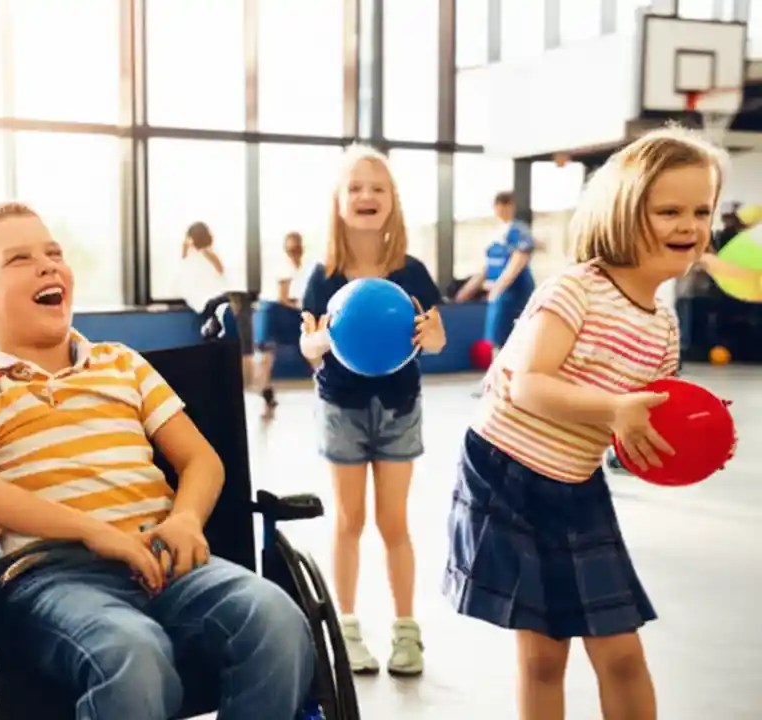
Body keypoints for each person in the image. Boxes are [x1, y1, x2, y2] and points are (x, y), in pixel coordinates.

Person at [0, 201, 315, 719]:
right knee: (132, 653)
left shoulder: (121, 364)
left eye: (53, 253)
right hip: (54, 575)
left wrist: (185, 520)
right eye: (19, 259)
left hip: (164, 559)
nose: (47, 265)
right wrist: (92, 530)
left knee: (278, 621)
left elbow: (202, 460)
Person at [444, 127, 719, 720]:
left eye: (701, 210)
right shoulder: (577, 290)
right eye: (668, 210)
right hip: (505, 474)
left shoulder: (665, 330)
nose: (688, 224)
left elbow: (629, 429)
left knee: (621, 652)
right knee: (543, 656)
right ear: (623, 214)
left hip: (574, 484)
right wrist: (615, 410)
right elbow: (526, 382)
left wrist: (665, 444)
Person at [296, 145, 446, 677]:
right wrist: (322, 343)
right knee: (349, 520)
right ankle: (347, 627)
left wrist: (430, 334)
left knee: (394, 522)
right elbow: (308, 347)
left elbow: (437, 340)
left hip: (400, 408)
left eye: (377, 188)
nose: (366, 195)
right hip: (342, 408)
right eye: (355, 187)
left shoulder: (412, 272)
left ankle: (407, 632)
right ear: (339, 203)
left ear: (393, 202)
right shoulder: (324, 274)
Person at [174, 221, 254, 386]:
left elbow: (182, 285)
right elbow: (222, 274)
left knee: (227, 320)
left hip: (211, 301)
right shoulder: (209, 257)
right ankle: (247, 370)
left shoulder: (190, 261)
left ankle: (236, 366)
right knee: (241, 333)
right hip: (223, 298)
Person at [456, 191, 536, 350]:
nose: (503, 210)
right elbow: (488, 266)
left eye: (506, 205)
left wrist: (499, 286)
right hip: (498, 295)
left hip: (515, 293)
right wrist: (468, 289)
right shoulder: (495, 233)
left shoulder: (519, 230)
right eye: (499, 205)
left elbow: (518, 260)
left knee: (517, 338)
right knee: (496, 339)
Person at [252, 231, 307, 419]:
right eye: (292, 247)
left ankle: (267, 397)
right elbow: (283, 298)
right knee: (266, 358)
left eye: (297, 246)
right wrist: (301, 307)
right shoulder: (285, 265)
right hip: (273, 311)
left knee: (268, 357)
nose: (295, 250)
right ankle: (266, 397)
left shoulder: (300, 266)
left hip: (284, 310)